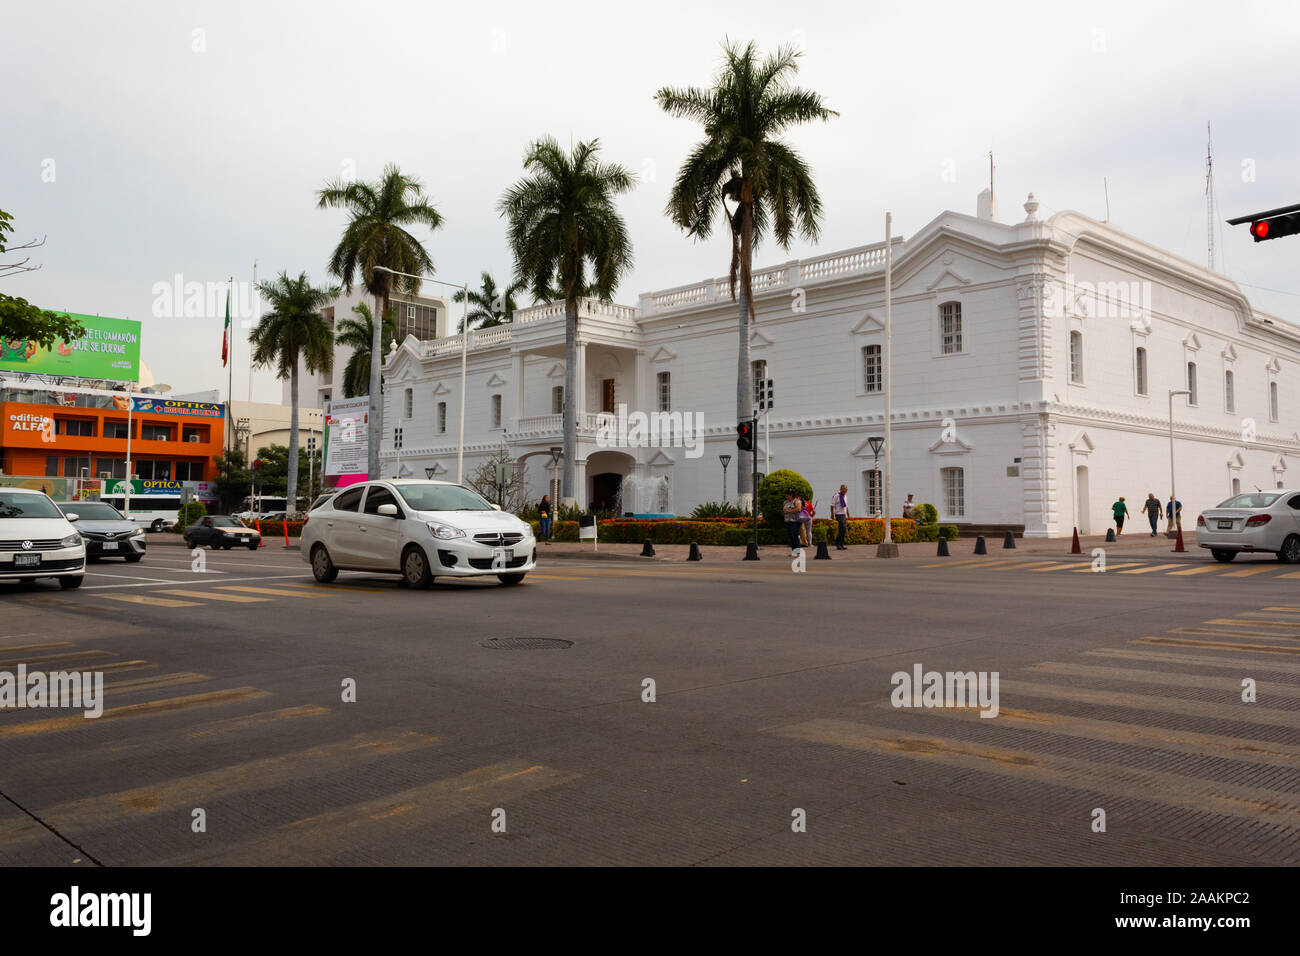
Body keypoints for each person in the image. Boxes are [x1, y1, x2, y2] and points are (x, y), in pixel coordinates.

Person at [831, 484, 850, 550]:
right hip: (838, 514)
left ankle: (841, 544)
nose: (845, 490)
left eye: (846, 489)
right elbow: (832, 505)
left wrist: (848, 514)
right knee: (842, 528)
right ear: (840, 489)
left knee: (843, 530)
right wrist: (832, 514)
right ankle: (838, 544)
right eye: (843, 489)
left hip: (843, 514)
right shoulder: (837, 496)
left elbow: (846, 506)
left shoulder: (845, 496)